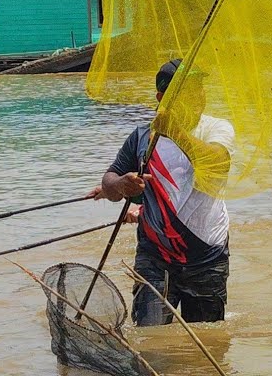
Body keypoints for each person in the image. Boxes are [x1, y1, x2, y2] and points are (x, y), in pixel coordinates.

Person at [91, 59, 234, 325]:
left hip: (207, 256)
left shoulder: (216, 129)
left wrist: (175, 133)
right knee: (150, 338)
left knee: (208, 341)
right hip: (155, 257)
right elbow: (109, 182)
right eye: (185, 90)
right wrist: (122, 184)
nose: (196, 96)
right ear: (161, 97)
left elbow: (218, 163)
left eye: (198, 88)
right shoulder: (143, 138)